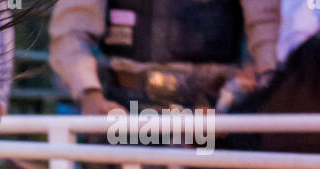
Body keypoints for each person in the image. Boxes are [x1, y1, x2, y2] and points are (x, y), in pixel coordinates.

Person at [48, 0, 280, 114]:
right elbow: (70, 31)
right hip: (126, 109)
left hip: (213, 109)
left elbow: (267, 26)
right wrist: (89, 93)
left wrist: (269, 81)